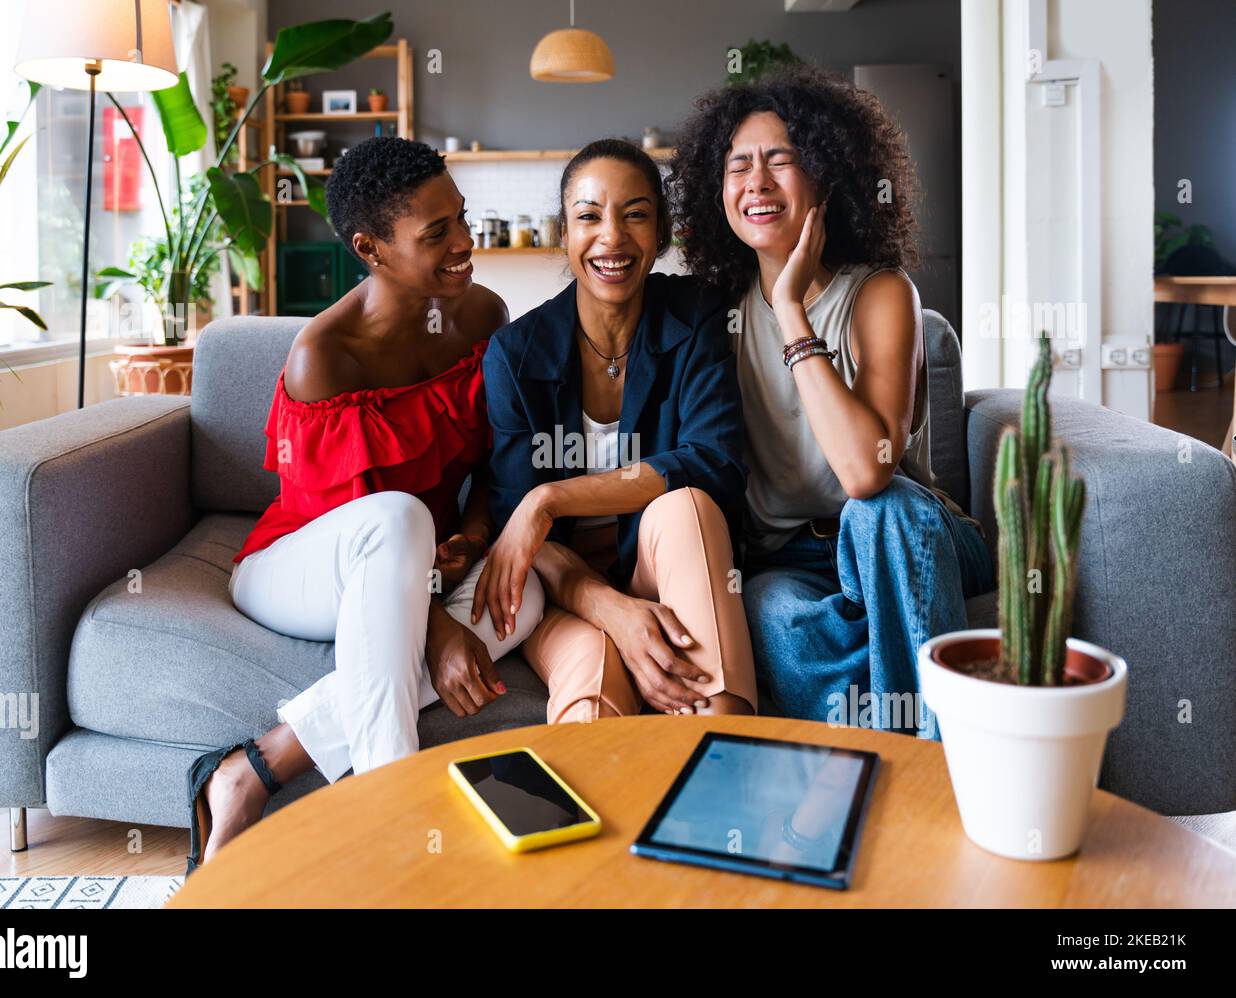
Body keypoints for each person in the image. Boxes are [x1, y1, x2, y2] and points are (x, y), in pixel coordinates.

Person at [186, 138, 544, 873]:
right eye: (435, 232)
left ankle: (255, 766)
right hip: (299, 567)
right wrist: (438, 629)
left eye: (462, 220)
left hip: (414, 568)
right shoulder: (326, 355)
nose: (464, 244)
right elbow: (346, 529)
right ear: (369, 248)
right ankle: (392, 823)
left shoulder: (482, 315)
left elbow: (495, 467)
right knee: (398, 517)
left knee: (526, 588)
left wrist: (476, 538)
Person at [666, 65, 994, 736]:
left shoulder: (880, 293)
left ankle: (929, 770)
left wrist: (790, 311)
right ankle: (880, 736)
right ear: (715, 188)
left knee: (882, 512)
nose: (756, 182)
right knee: (770, 618)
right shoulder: (713, 315)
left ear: (824, 175)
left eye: (780, 161)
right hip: (789, 559)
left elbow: (866, 472)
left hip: (907, 535)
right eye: (738, 166)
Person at [477, 139, 756, 724]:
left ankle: (724, 749)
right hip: (562, 592)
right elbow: (517, 535)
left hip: (663, 565)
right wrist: (611, 610)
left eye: (635, 214)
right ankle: (594, 800)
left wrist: (550, 497)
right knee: (592, 663)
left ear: (661, 232)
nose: (612, 238)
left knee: (686, 507)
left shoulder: (698, 312)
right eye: (588, 216)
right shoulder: (514, 353)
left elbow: (715, 462)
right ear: (564, 233)